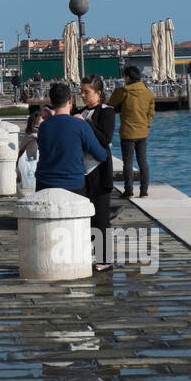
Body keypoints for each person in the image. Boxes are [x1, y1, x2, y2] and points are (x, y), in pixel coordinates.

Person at [35, 82, 107, 193]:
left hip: (45, 183)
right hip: (73, 185)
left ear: (51, 102)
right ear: (70, 101)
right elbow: (101, 155)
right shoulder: (80, 125)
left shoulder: (43, 126)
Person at [77, 75, 116, 269]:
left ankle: (104, 258)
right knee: (86, 216)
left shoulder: (107, 112)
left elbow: (105, 138)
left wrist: (87, 124)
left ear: (98, 93)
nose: (83, 95)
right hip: (82, 171)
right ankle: (88, 253)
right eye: (81, 91)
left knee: (101, 217)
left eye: (87, 92)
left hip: (100, 170)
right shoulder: (80, 111)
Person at [109, 66, 155, 198]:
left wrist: (117, 89)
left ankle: (129, 191)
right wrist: (147, 123)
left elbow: (111, 102)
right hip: (143, 132)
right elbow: (151, 110)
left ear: (128, 78)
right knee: (143, 162)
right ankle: (144, 191)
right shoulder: (147, 92)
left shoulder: (124, 91)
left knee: (128, 163)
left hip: (128, 132)